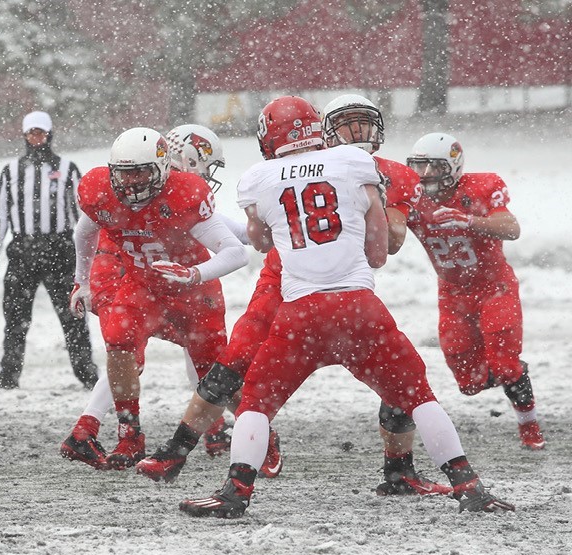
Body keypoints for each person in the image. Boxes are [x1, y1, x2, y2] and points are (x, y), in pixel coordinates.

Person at [178, 96, 513, 519]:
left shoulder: (258, 178)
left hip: (299, 313)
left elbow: (261, 242)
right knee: (419, 397)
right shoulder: (355, 164)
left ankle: (236, 492)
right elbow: (378, 254)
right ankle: (468, 486)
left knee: (256, 404)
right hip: (358, 307)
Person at [137, 95, 448, 497]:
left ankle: (399, 470)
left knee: (399, 378)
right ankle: (175, 453)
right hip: (282, 279)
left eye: (363, 124)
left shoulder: (388, 174)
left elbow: (393, 242)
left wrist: (374, 199)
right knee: (233, 362)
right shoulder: (289, 168)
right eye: (346, 124)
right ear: (321, 130)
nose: (357, 133)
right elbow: (261, 238)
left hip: (341, 286)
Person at [65, 127, 248, 470]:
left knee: (207, 362)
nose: (132, 182)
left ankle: (232, 427)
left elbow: (233, 241)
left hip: (180, 283)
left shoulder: (181, 193)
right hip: (127, 272)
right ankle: (113, 433)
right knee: (123, 346)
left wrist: (279, 231)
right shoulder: (109, 190)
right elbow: (85, 232)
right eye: (125, 174)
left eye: (139, 173)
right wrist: (82, 282)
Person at [406, 132, 544, 449]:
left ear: (454, 167)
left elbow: (512, 228)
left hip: (494, 287)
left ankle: (529, 424)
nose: (426, 174)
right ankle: (512, 372)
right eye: (419, 166)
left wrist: (469, 221)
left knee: (505, 364)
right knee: (469, 383)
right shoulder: (412, 198)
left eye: (435, 167)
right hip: (452, 294)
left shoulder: (480, 187)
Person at [0, 110, 98, 390]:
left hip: (60, 251)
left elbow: (85, 213)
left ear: (49, 135)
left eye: (41, 133)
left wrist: (91, 252)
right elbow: (1, 213)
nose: (36, 138)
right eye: (31, 133)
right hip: (23, 252)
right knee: (15, 317)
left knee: (73, 315)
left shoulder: (68, 169)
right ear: (24, 136)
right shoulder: (11, 171)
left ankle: (87, 373)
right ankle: (8, 375)